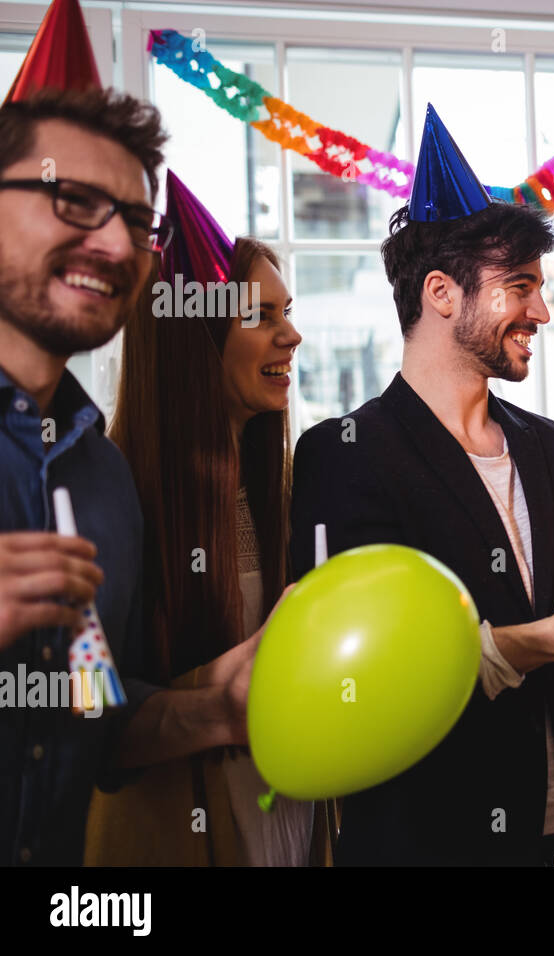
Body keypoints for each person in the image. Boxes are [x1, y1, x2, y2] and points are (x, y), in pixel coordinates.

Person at [289, 105, 554, 865]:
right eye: (519, 287)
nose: (541, 311)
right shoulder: (345, 455)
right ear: (442, 294)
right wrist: (541, 640)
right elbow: (357, 686)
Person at [0, 88, 252, 866]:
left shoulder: (104, 476)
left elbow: (101, 728)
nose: (115, 244)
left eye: (137, 222)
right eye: (74, 201)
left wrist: (223, 712)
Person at [83, 167, 324, 865]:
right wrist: (222, 699)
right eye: (263, 317)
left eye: (289, 311)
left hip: (290, 817)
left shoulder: (283, 491)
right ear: (197, 339)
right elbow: (90, 723)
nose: (293, 336)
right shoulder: (114, 501)